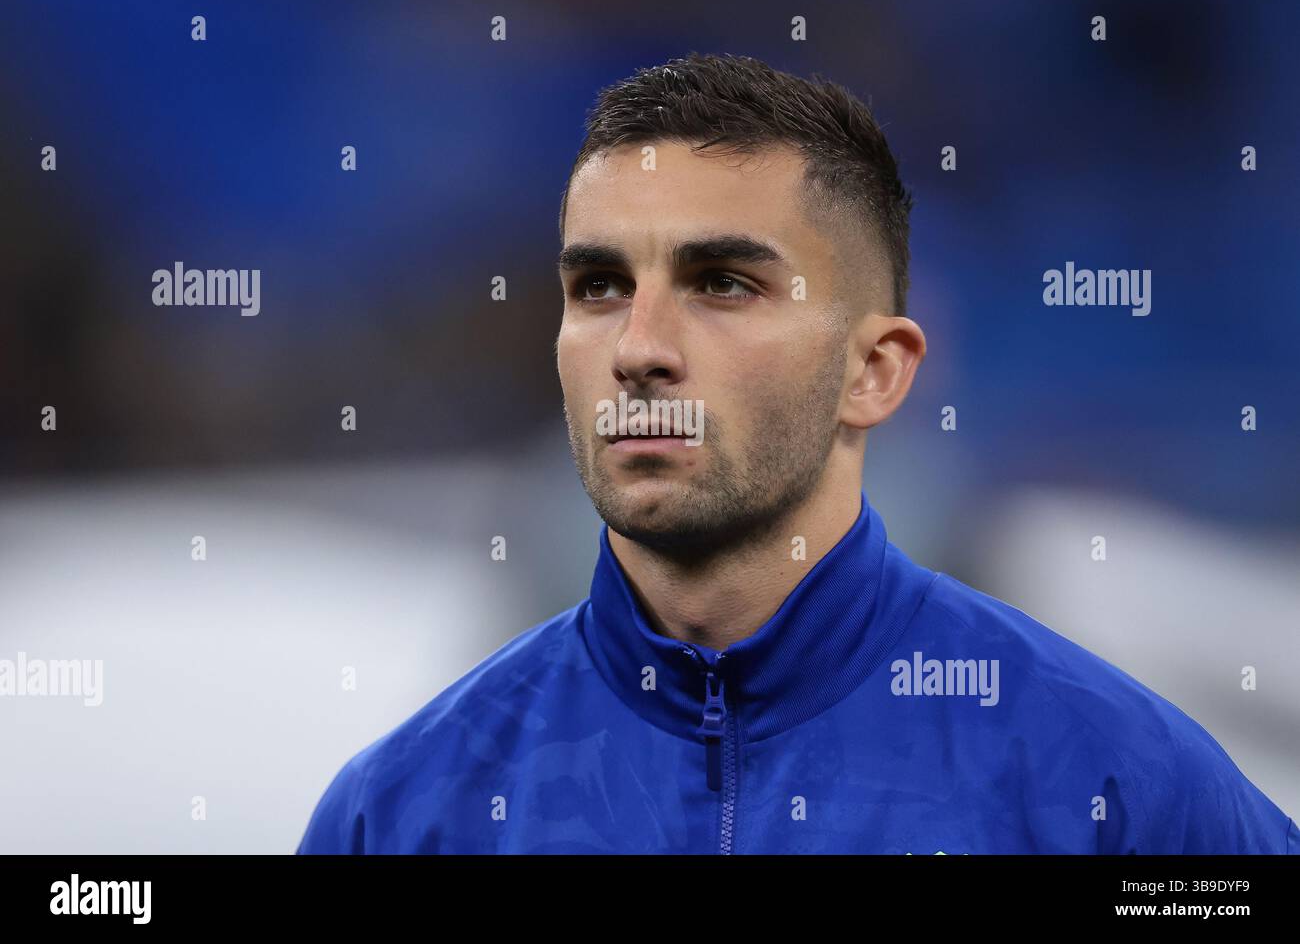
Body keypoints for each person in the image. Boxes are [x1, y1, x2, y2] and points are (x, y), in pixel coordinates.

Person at [297, 53, 1296, 854]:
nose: (640, 347)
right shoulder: (398, 813)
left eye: (724, 283)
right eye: (599, 285)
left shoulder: (1123, 789)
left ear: (876, 370)